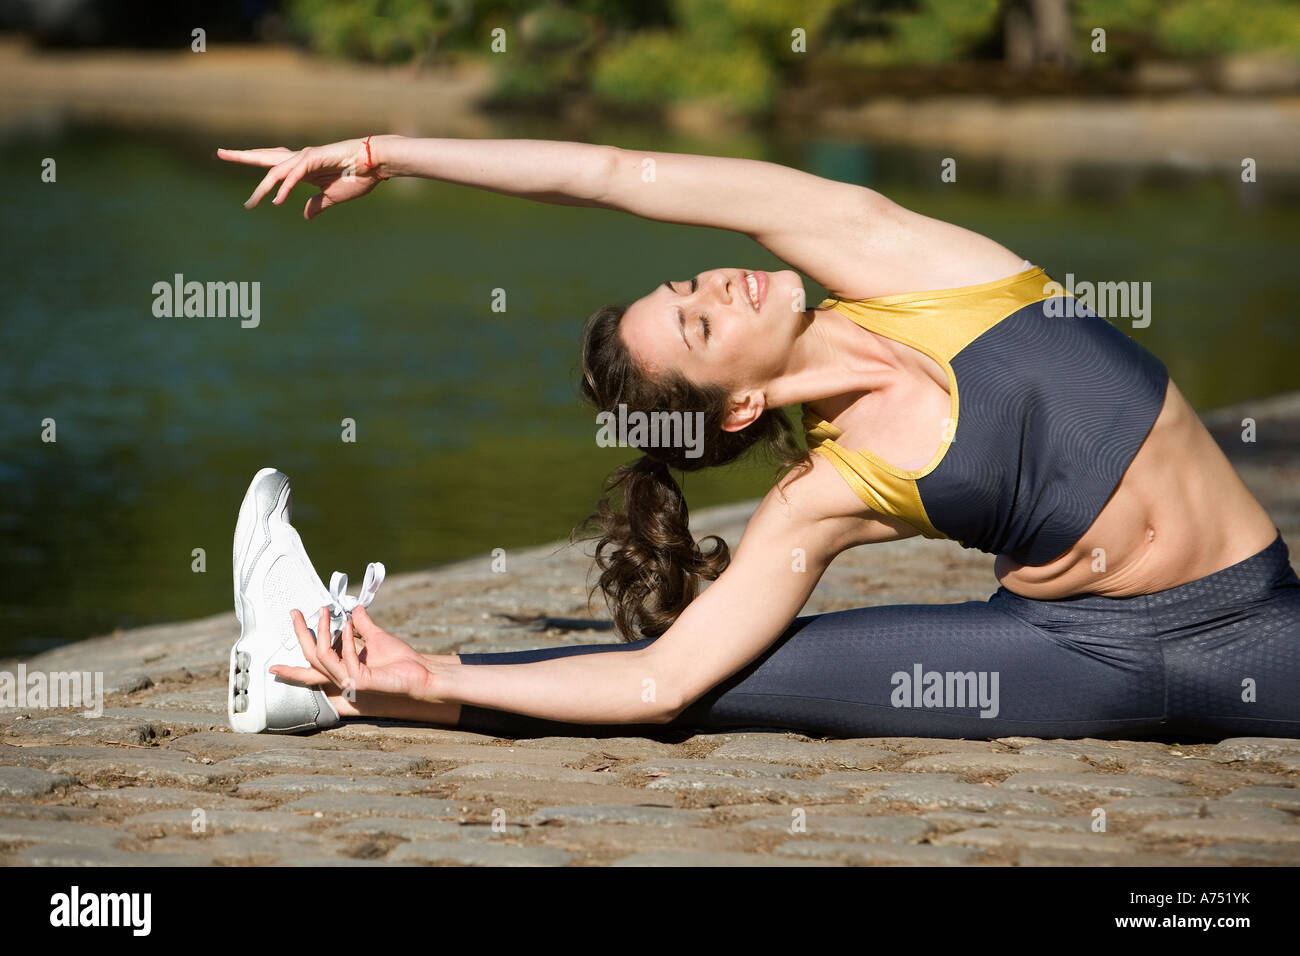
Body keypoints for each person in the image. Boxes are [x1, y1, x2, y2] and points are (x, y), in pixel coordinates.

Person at [218, 135, 1300, 741]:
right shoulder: (821, 494)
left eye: (688, 285)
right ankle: (346, 675)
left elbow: (609, 176)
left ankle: (362, 677)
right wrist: (430, 666)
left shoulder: (890, 255)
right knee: (710, 682)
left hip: (1253, 615)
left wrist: (390, 152)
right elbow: (661, 682)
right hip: (1079, 654)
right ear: (735, 408)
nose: (719, 285)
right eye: (701, 324)